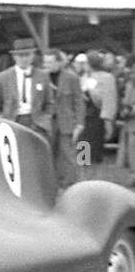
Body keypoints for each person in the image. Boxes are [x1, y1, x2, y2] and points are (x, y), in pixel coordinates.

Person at [0, 38, 54, 140]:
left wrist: (44, 119)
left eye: (27, 55)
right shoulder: (2, 77)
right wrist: (4, 121)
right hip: (12, 122)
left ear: (33, 56)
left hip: (36, 123)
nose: (24, 59)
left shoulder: (42, 76)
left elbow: (50, 103)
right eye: (20, 55)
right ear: (14, 57)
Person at [44, 48, 83, 186]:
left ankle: (71, 182)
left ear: (59, 62)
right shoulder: (41, 77)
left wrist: (79, 123)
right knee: (48, 152)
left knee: (68, 153)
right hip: (47, 121)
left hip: (66, 121)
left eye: (50, 62)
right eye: (45, 62)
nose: (47, 65)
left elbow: (79, 101)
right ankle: (51, 182)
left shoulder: (71, 78)